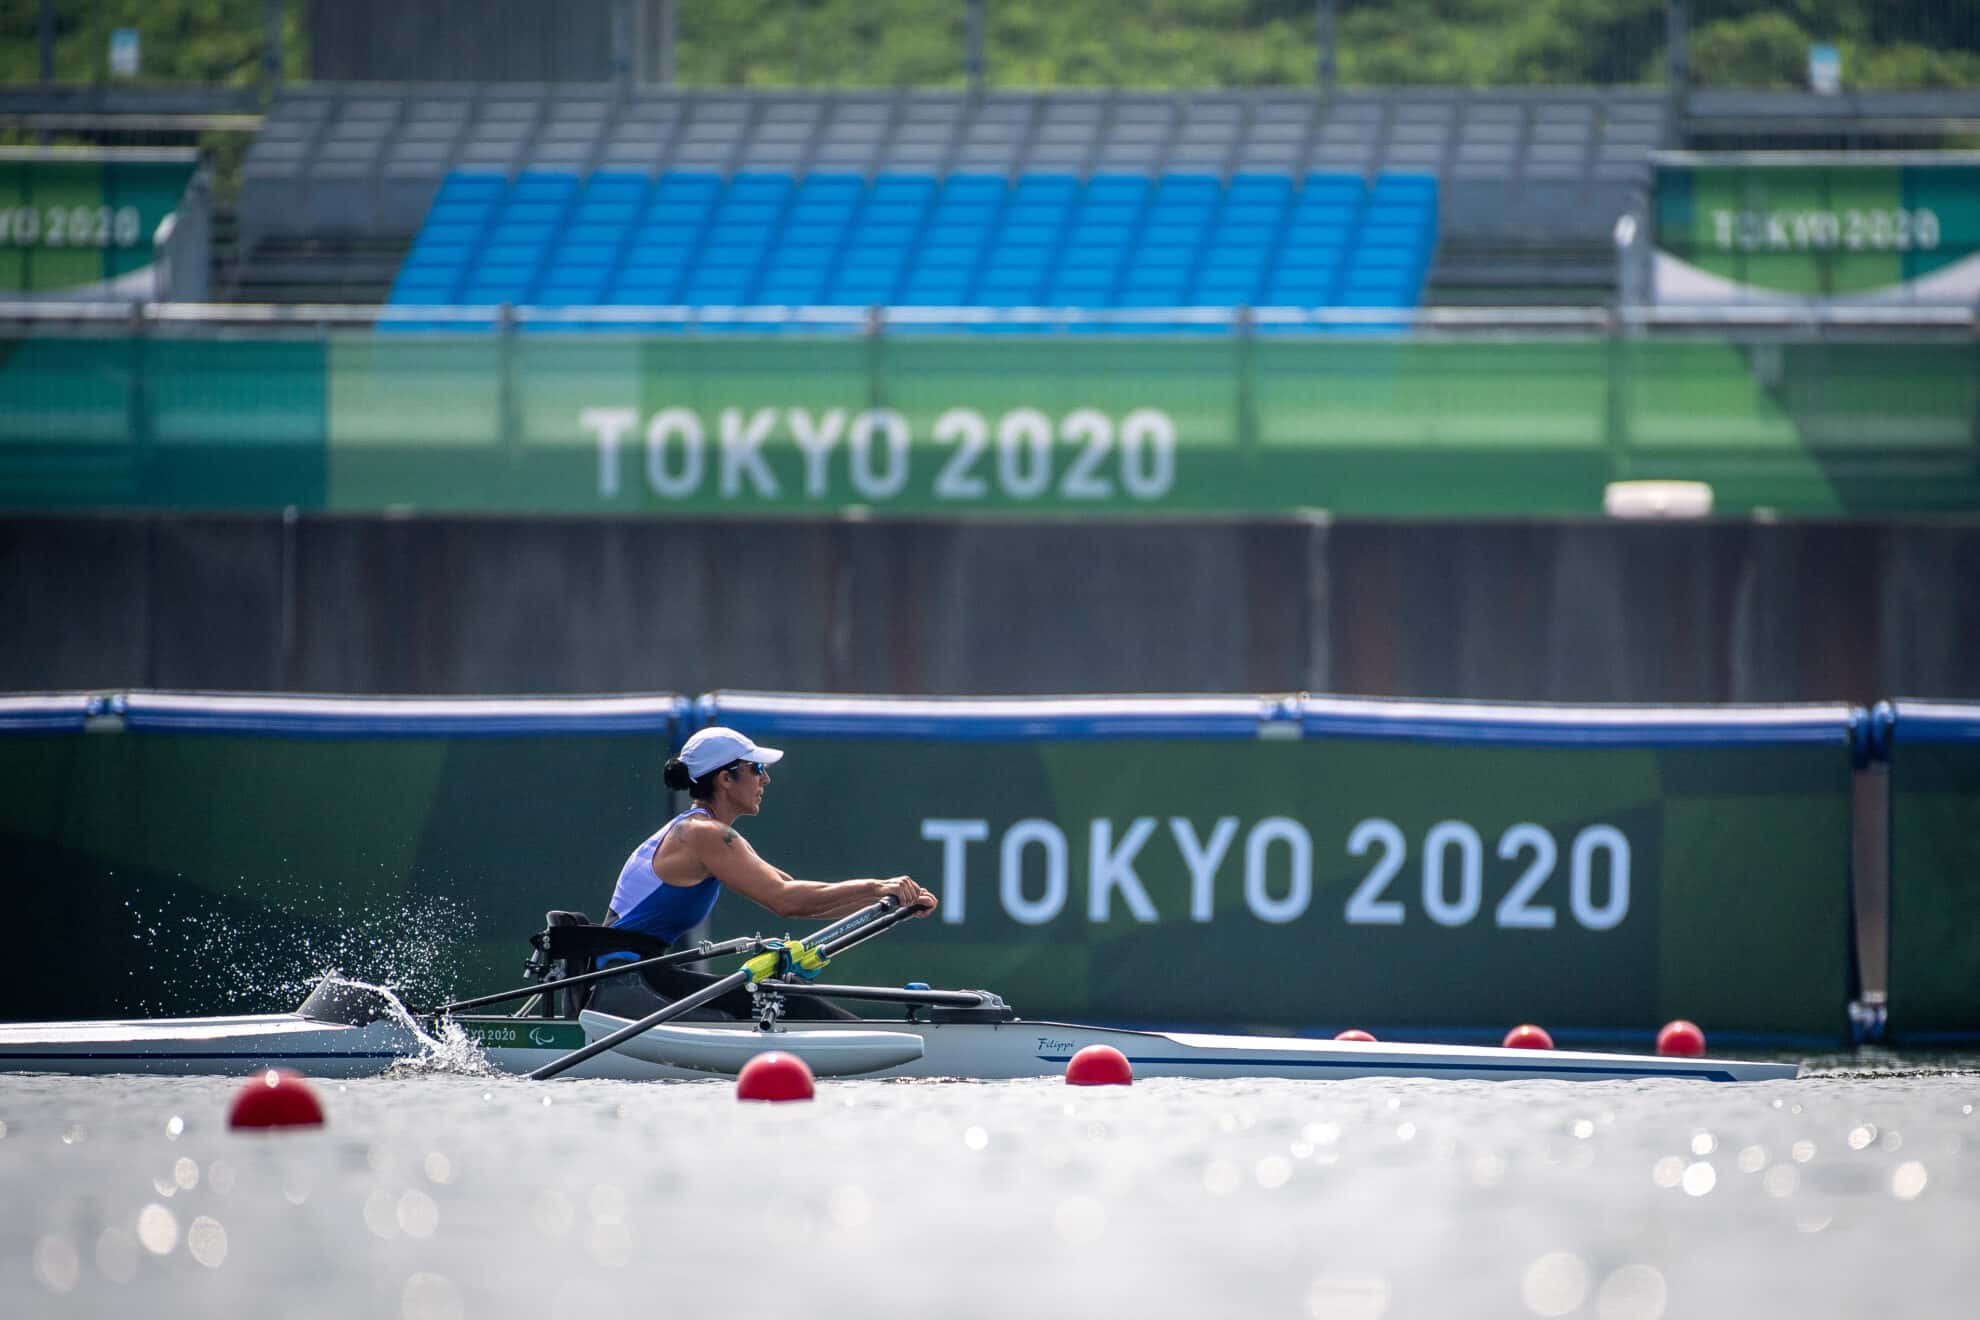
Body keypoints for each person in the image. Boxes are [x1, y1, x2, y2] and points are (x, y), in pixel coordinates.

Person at [590, 725, 936, 1021]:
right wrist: (877, 886)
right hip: (623, 985)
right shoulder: (705, 835)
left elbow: (792, 890)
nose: (765, 778)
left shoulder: (709, 832)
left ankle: (875, 1042)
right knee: (784, 997)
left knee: (787, 990)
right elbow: (786, 902)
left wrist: (892, 906)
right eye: (756, 768)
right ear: (725, 778)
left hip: (639, 976)